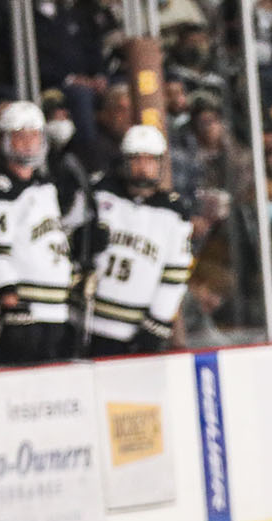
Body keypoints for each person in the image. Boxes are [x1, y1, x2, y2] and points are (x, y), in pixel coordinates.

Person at [0, 102, 74, 365]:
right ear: (3, 140)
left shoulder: (45, 187)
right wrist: (9, 297)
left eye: (34, 136)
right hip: (23, 312)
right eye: (19, 136)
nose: (28, 143)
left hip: (55, 309)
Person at [79, 125, 194, 356]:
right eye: (137, 160)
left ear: (160, 164)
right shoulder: (99, 193)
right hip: (88, 322)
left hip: (136, 329)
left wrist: (158, 321)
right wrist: (82, 243)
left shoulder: (174, 212)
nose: (143, 167)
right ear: (125, 161)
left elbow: (176, 273)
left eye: (150, 160)